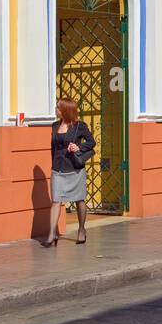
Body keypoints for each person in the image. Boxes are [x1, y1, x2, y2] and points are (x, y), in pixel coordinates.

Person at [49, 97, 96, 246]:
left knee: (79, 200)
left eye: (58, 107)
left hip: (75, 168)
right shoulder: (54, 125)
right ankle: (51, 234)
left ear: (65, 109)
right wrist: (53, 163)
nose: (55, 110)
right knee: (56, 200)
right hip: (58, 168)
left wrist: (79, 148)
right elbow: (53, 148)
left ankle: (81, 229)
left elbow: (91, 143)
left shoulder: (79, 126)